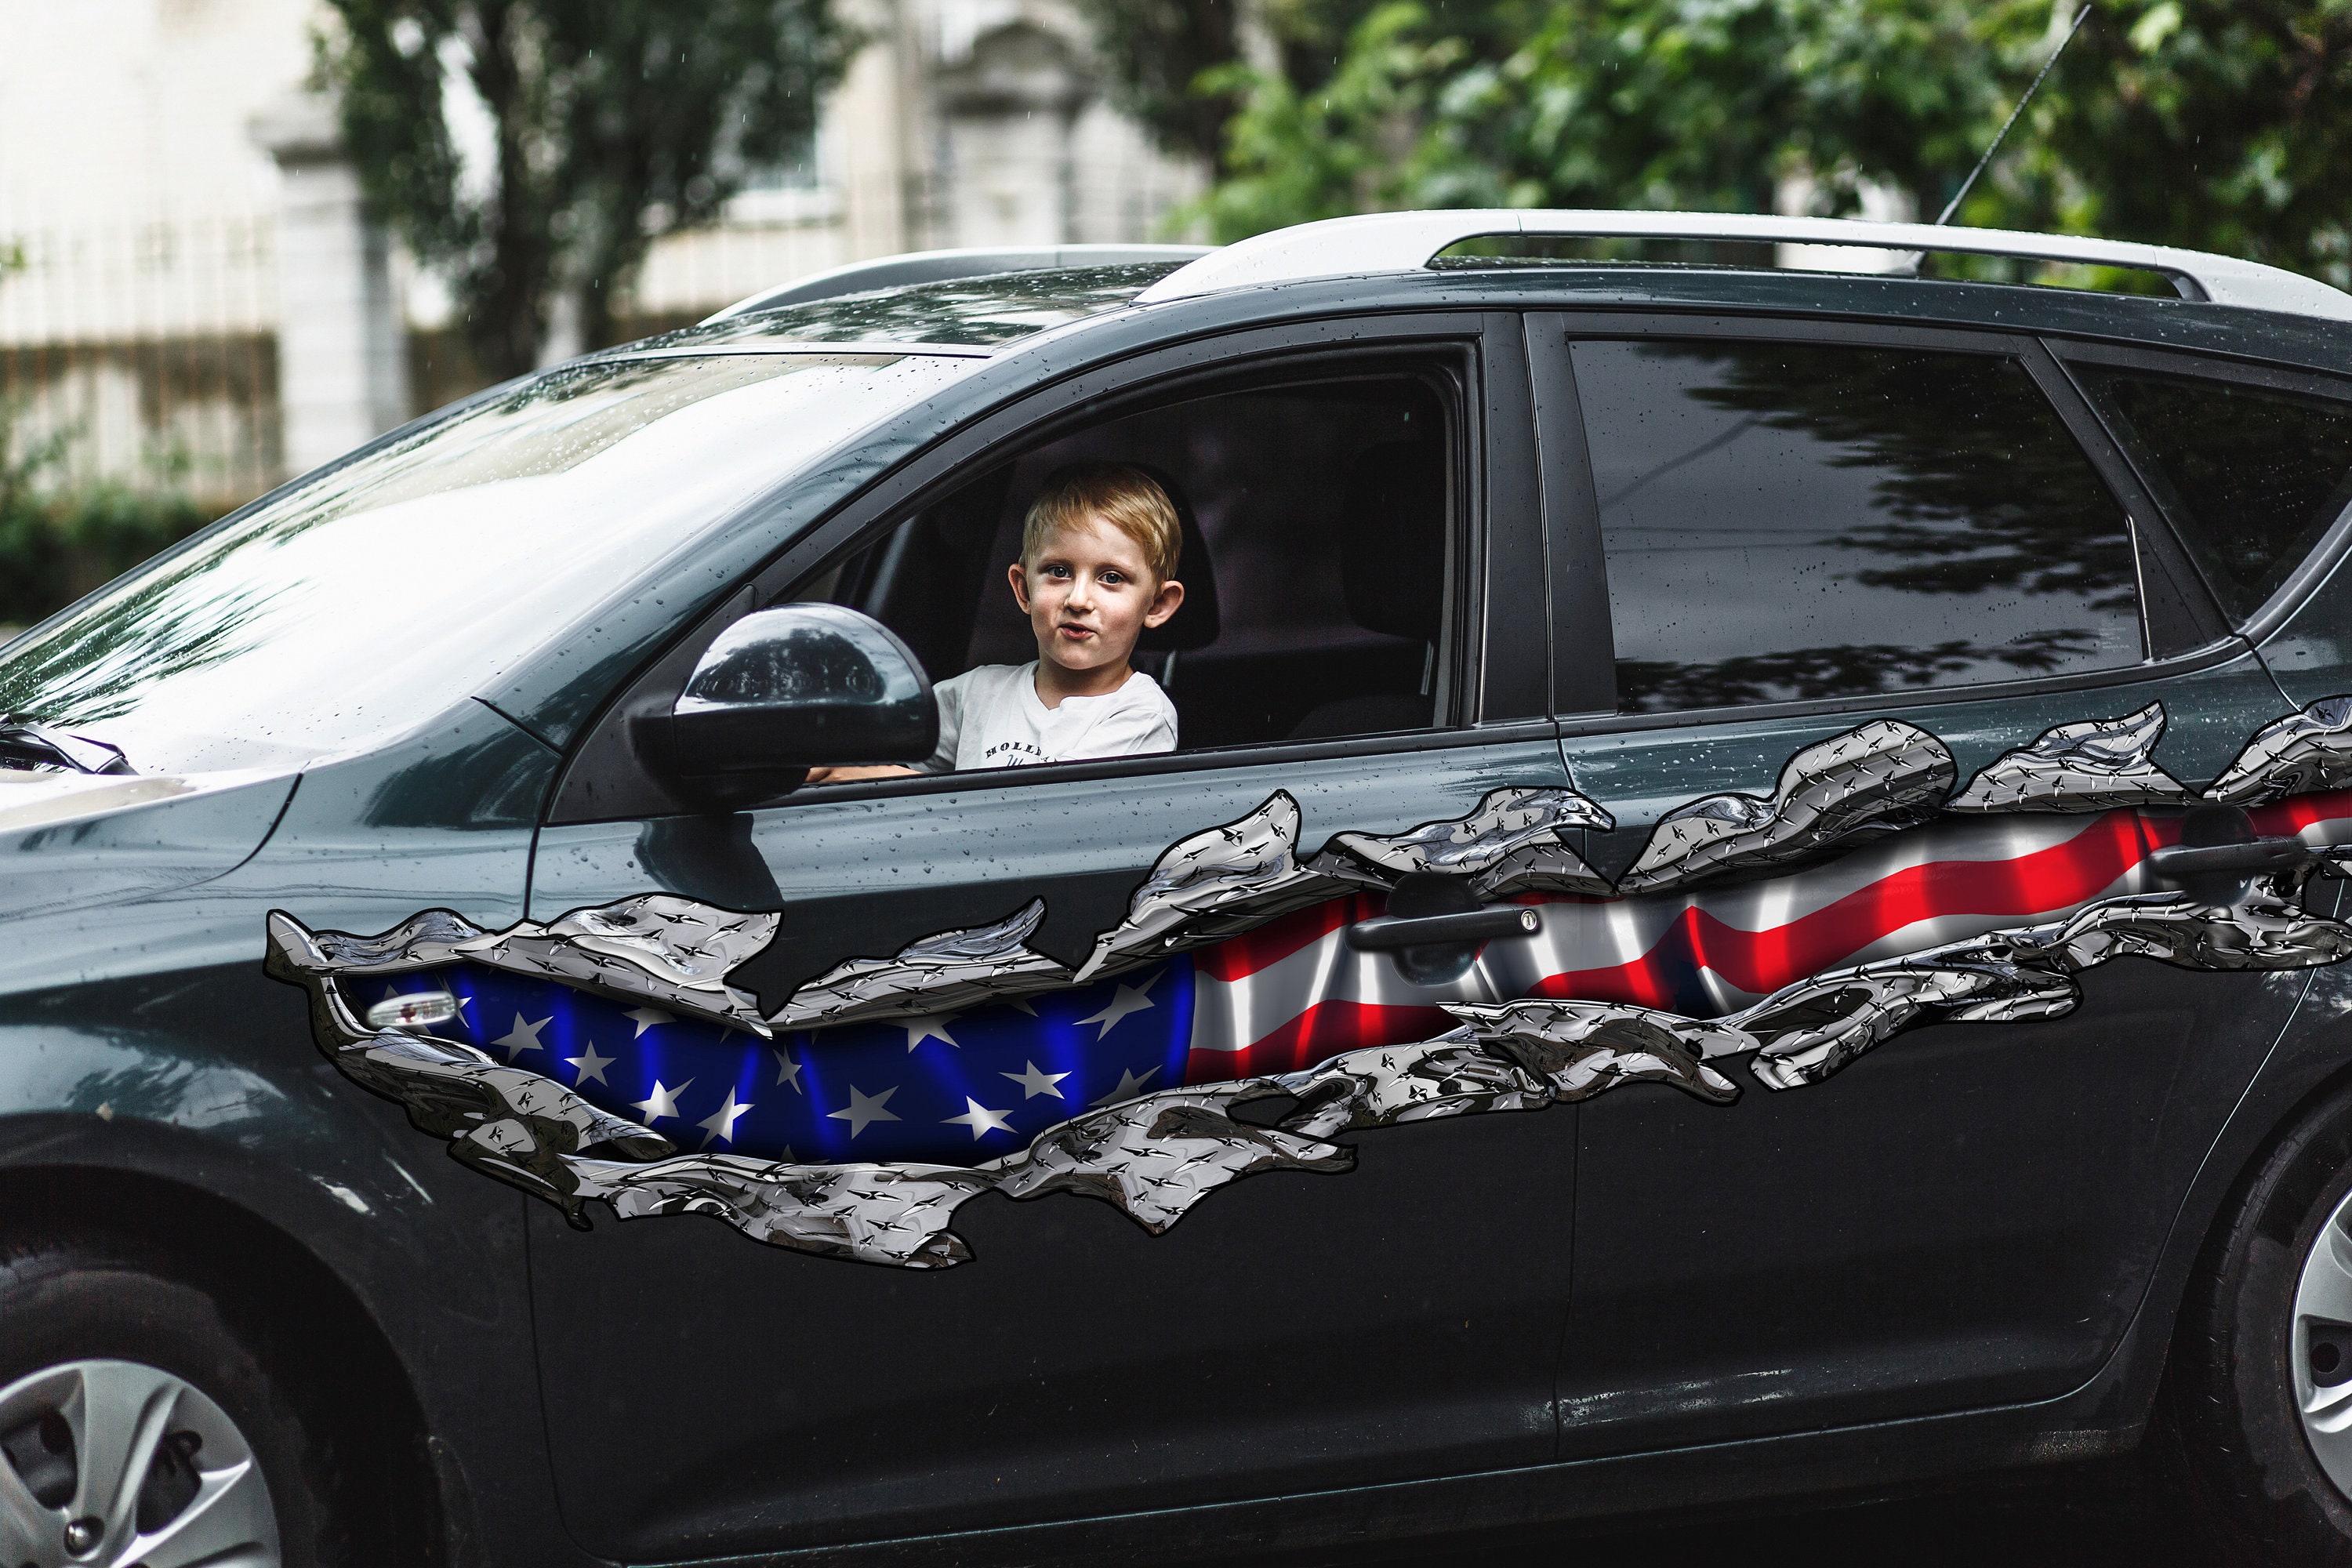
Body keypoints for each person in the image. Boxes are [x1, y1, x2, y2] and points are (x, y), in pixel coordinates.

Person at [807, 463, 1185, 782]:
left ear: (1157, 605)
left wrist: (883, 779)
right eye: (1058, 572)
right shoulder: (978, 693)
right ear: (1023, 589)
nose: (1078, 599)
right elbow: (869, 742)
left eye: (1111, 578)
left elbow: (1042, 816)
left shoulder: (1142, 717)